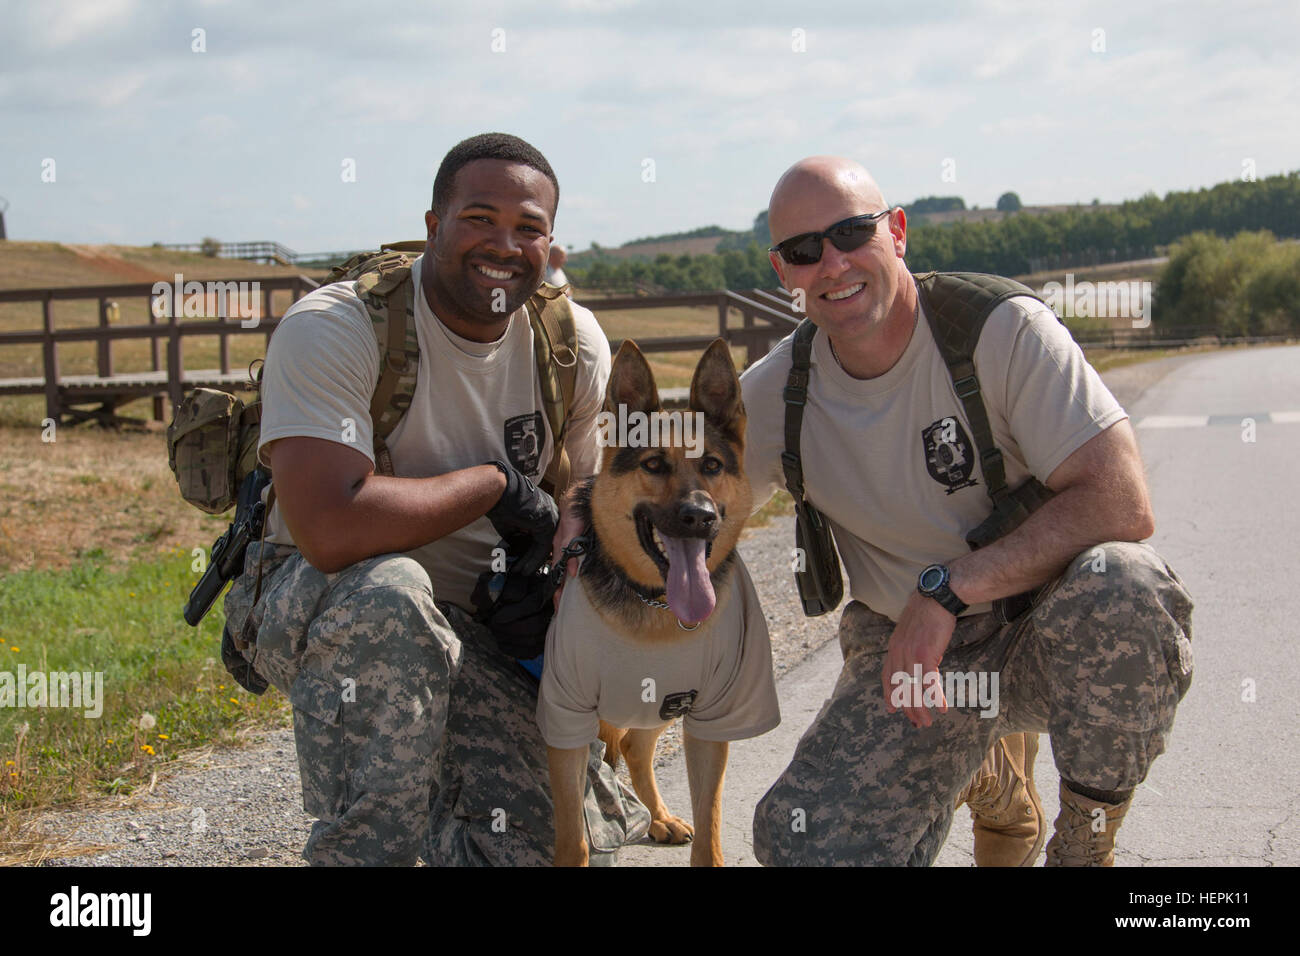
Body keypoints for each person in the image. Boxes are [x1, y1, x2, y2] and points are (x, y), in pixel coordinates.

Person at [742, 156, 1194, 866]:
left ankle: (1086, 841)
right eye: (804, 251)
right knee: (804, 845)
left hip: (1042, 633)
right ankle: (981, 770)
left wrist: (948, 589)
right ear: (784, 273)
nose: (831, 263)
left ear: (896, 232)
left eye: (852, 233)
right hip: (915, 667)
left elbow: (1121, 498)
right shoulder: (774, 395)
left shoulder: (999, 329)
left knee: (1125, 586)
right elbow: (681, 501)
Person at [221, 133, 648, 866]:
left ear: (551, 243)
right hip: (320, 599)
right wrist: (492, 486)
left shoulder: (571, 342)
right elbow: (330, 527)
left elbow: (581, 490)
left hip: (478, 621)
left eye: (529, 228)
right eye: (479, 218)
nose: (504, 245)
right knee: (394, 594)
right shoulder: (336, 327)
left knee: (555, 849)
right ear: (433, 227)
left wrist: (557, 577)